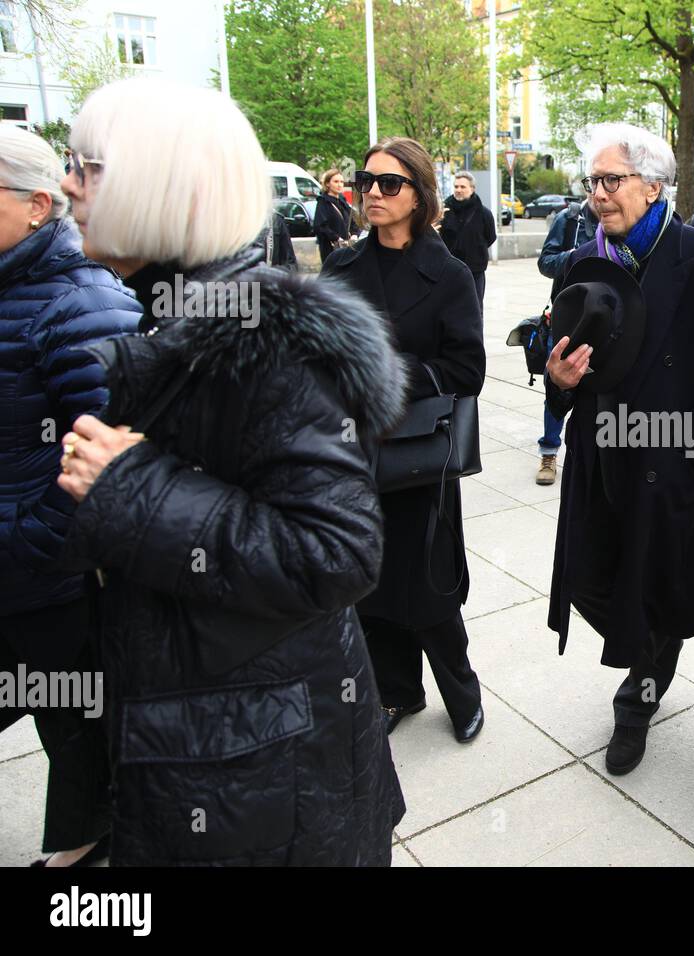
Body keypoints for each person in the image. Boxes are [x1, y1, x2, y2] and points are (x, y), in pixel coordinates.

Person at [56, 78, 405, 865]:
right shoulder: (182, 314)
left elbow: (340, 552)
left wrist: (132, 491)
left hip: (261, 778)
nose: (68, 185)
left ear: (162, 182)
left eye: (88, 166)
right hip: (225, 754)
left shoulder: (263, 340)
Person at [545, 122, 694, 777]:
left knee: (655, 583)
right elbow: (558, 347)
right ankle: (644, 657)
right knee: (592, 578)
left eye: (612, 181)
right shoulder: (588, 258)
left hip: (668, 457)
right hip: (599, 452)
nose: (598, 196)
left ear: (653, 185)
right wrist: (556, 376)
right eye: (594, 182)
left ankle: (636, 700)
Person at [0, 125, 140, 867]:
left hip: (41, 567)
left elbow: (109, 446)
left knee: (69, 710)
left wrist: (31, 535)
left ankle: (83, 842)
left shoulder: (84, 300)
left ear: (34, 205)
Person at [322, 137, 487, 745]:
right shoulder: (341, 268)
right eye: (367, 181)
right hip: (355, 450)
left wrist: (387, 373)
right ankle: (397, 691)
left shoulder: (448, 274)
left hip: (419, 451)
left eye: (389, 184)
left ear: (419, 194)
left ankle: (461, 692)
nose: (373, 193)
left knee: (429, 585)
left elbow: (467, 368)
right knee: (370, 581)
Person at [535, 198, 598, 486]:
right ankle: (549, 451)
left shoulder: (622, 225)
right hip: (566, 317)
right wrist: (576, 256)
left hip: (602, 320)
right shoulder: (570, 220)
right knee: (558, 381)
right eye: (595, 184)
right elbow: (545, 262)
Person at [440, 171, 497, 308]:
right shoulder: (442, 211)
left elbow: (490, 237)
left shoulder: (484, 213)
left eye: (463, 187)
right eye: (456, 186)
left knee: (475, 309)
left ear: (472, 189)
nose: (458, 190)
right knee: (448, 309)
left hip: (475, 271)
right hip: (447, 270)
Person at [313, 167, 359, 264]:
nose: (339, 185)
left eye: (341, 182)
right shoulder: (323, 202)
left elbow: (353, 220)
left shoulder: (343, 202)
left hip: (346, 247)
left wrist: (354, 234)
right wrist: (337, 238)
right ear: (327, 184)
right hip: (331, 249)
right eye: (336, 181)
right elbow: (320, 226)